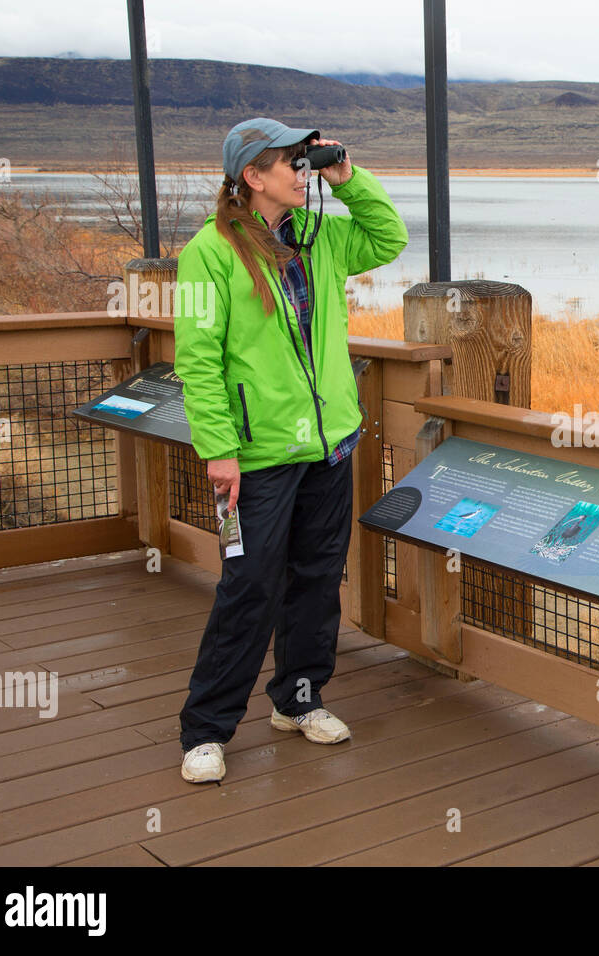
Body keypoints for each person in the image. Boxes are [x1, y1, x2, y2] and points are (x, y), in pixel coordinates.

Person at [173, 117, 408, 783]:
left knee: (315, 577)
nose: (303, 172)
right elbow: (197, 361)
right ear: (253, 176)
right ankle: (206, 729)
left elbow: (388, 237)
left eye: (307, 161)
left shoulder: (320, 235)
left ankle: (299, 699)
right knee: (247, 583)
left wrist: (347, 177)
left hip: (328, 448)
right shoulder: (208, 254)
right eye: (291, 163)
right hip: (251, 458)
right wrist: (219, 451)